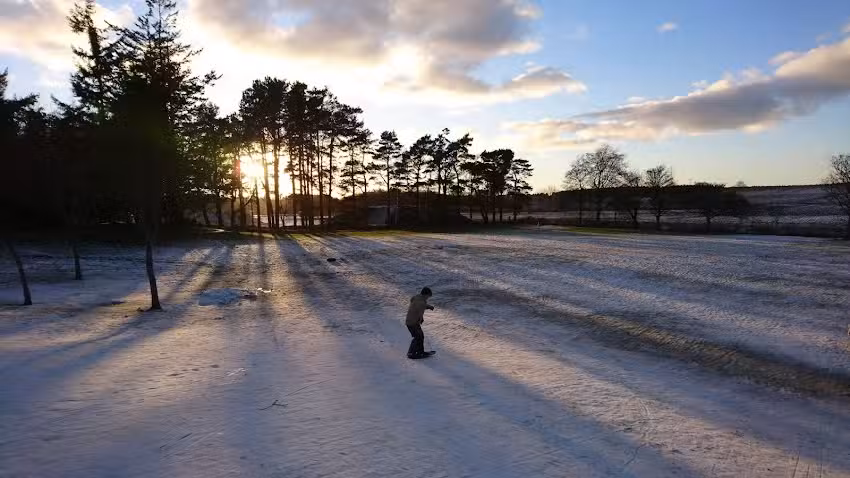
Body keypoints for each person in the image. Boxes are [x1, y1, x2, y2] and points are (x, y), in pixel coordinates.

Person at [405, 287, 435, 359]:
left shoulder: (417, 298)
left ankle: (420, 352)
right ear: (425, 295)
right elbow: (420, 311)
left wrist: (429, 307)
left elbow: (420, 305)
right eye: (428, 296)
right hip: (412, 323)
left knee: (420, 336)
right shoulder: (421, 302)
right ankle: (411, 353)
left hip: (410, 321)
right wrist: (420, 319)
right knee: (418, 337)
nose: (428, 298)